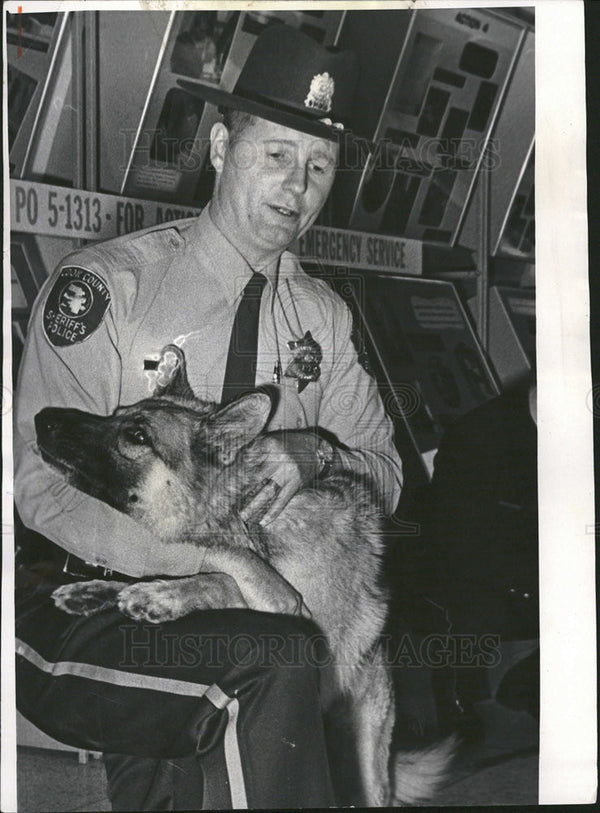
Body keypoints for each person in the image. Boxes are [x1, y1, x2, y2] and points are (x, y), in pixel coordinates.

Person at [14, 26, 403, 810]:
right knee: (278, 657)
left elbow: (388, 475)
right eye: (277, 156)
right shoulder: (107, 287)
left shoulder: (321, 317)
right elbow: (37, 489)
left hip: (246, 632)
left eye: (319, 165)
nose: (298, 186)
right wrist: (221, 572)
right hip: (85, 609)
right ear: (223, 146)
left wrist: (316, 452)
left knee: (305, 663)